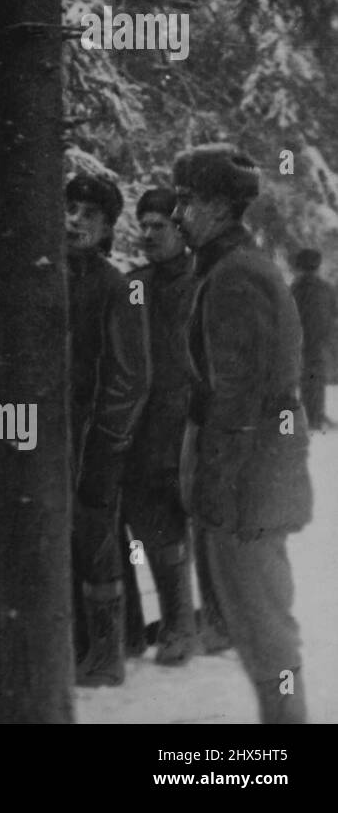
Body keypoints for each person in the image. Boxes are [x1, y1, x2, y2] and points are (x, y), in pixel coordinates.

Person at [172, 143, 312, 723]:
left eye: (185, 201)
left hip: (249, 488)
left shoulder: (234, 277)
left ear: (218, 206)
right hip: (251, 481)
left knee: (263, 627)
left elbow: (237, 400)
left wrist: (216, 492)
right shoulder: (232, 268)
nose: (178, 214)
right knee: (258, 624)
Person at [65, 173, 151, 687]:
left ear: (106, 229)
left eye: (89, 215)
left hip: (94, 439)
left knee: (95, 537)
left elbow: (132, 376)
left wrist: (108, 440)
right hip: (43, 436)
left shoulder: (115, 286)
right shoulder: (37, 274)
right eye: (70, 208)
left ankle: (106, 652)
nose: (75, 221)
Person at [120, 188, 198, 665]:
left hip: (193, 425)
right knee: (153, 527)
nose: (148, 234)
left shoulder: (206, 282)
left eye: (159, 226)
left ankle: (201, 622)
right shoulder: (134, 285)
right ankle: (177, 622)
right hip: (145, 429)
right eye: (143, 226)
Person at [289, 248, 337, 431]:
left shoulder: (295, 289)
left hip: (300, 342)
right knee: (316, 379)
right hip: (319, 341)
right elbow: (333, 314)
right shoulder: (326, 289)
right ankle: (315, 416)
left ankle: (306, 417)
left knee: (303, 379)